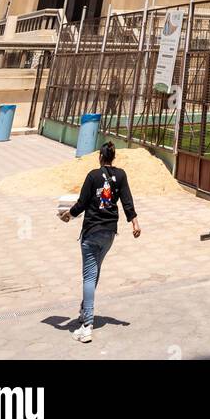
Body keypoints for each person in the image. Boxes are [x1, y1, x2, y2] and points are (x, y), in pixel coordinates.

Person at [60, 140, 141, 341]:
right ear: (113, 157)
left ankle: (87, 325)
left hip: (92, 232)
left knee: (88, 275)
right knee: (94, 271)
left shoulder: (92, 176)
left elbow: (82, 203)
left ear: (100, 157)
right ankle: (83, 311)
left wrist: (68, 214)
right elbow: (127, 201)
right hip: (109, 233)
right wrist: (135, 223)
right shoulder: (121, 175)